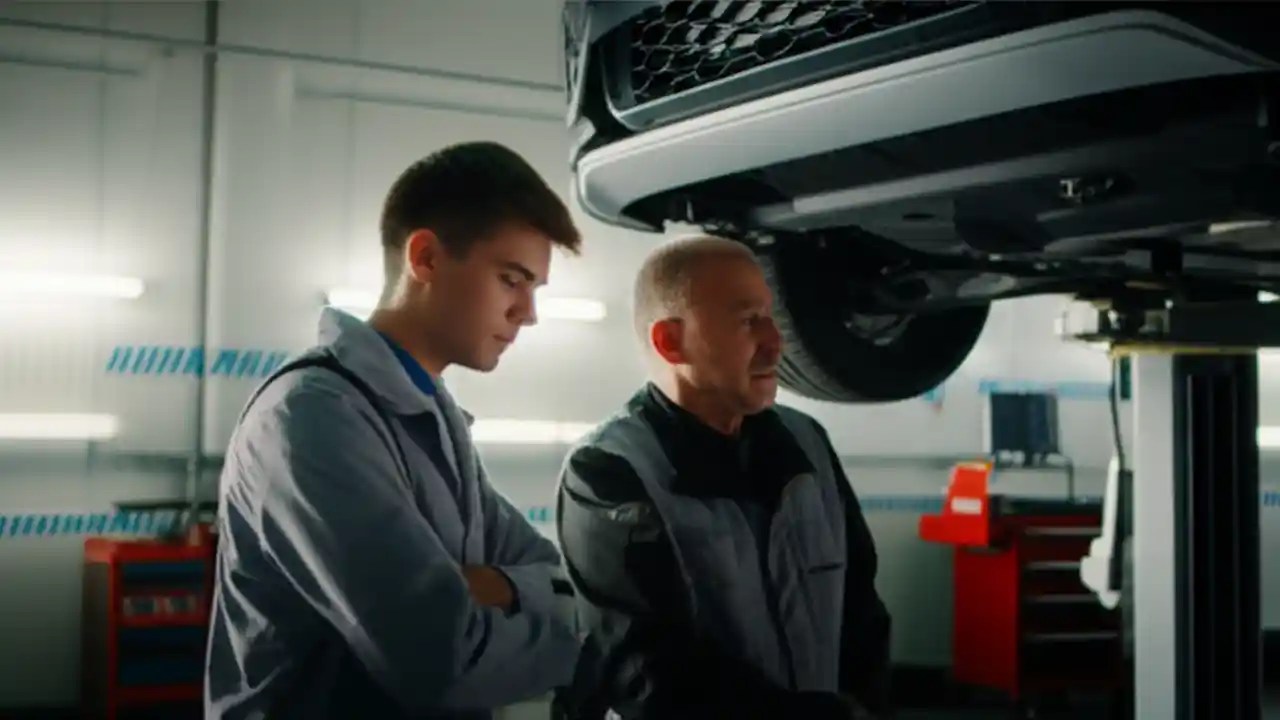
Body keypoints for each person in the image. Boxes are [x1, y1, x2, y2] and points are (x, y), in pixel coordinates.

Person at [205, 141, 582, 719]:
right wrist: (575, 633)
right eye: (512, 279)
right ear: (426, 257)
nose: (527, 313)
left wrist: (498, 586)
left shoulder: (434, 417)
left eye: (534, 288)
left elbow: (549, 569)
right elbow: (444, 662)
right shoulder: (311, 416)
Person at [555, 235, 893, 719]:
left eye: (770, 317)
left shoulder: (807, 444)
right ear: (671, 342)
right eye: (747, 321)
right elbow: (646, 667)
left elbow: (862, 613)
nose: (775, 342)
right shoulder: (608, 470)